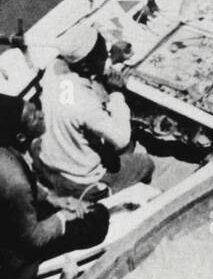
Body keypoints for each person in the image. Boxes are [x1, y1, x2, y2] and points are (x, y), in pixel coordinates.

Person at [0, 94, 111, 279]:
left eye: (35, 108)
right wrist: (64, 216)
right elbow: (34, 238)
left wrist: (52, 199)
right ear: (21, 136)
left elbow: (16, 189)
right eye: (33, 116)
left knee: (53, 213)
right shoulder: (15, 181)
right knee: (97, 219)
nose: (41, 114)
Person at [31, 25, 156, 199]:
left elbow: (87, 70)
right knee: (143, 161)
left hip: (51, 165)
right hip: (80, 182)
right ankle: (115, 193)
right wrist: (116, 93)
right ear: (86, 66)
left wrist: (111, 58)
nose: (107, 58)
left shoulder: (55, 69)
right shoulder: (85, 104)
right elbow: (121, 139)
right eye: (104, 56)